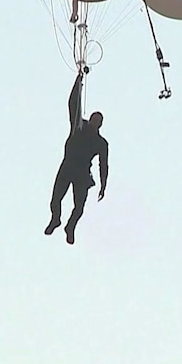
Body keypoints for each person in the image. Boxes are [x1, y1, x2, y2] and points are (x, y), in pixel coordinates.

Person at [45, 71, 108, 244]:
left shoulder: (101, 143)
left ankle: (70, 226)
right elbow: (73, 104)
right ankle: (55, 219)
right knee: (56, 198)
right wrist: (78, 82)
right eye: (93, 119)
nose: (94, 122)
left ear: (100, 125)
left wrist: (103, 184)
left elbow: (104, 164)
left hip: (82, 174)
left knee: (79, 206)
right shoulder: (79, 126)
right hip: (68, 167)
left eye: (97, 121)